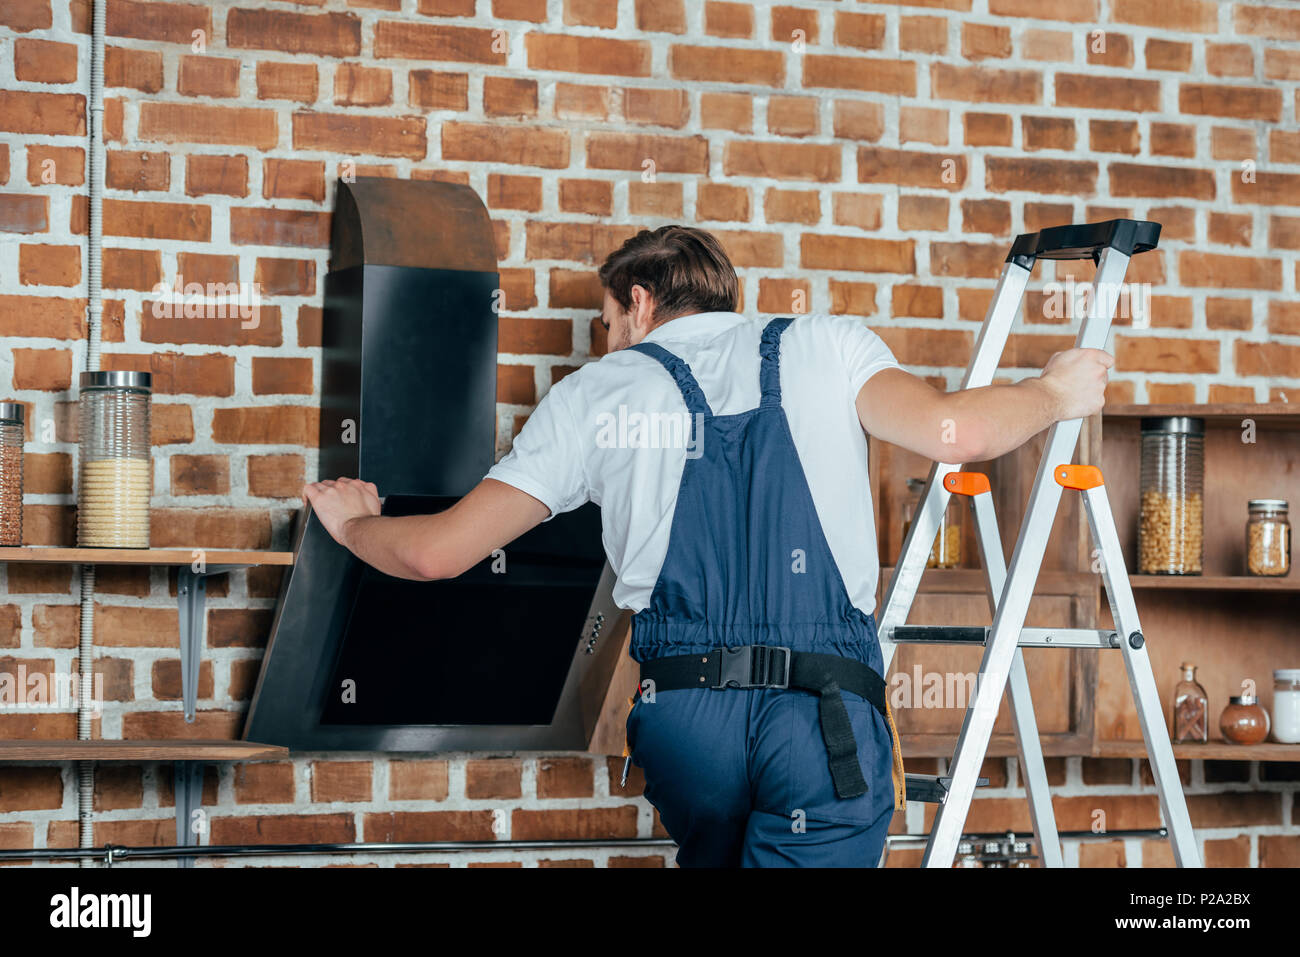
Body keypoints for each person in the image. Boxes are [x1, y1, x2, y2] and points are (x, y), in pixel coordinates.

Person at [303, 225, 1113, 867]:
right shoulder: (828, 344)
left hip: (686, 718)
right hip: (821, 712)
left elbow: (438, 554)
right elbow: (954, 431)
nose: (610, 341)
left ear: (642, 300)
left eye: (609, 322)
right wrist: (1053, 390)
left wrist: (351, 523)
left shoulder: (596, 393)